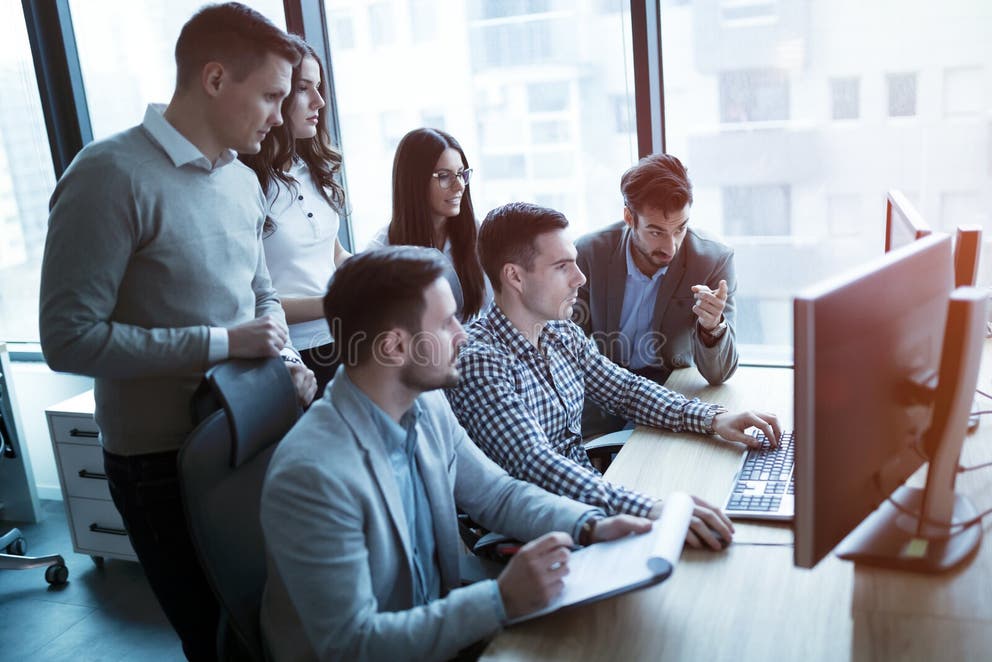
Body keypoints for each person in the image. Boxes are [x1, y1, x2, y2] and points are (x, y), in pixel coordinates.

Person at [39, 4, 315, 659]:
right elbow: (68, 339)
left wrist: (276, 345)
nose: (280, 115)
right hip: (160, 463)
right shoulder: (108, 176)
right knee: (217, 642)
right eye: (272, 95)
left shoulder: (244, 181)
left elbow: (262, 295)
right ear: (216, 79)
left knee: (273, 628)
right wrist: (224, 343)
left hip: (248, 435)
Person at [259, 246, 651, 661]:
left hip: (438, 629)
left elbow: (496, 494)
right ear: (394, 347)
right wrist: (499, 600)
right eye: (446, 324)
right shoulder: (312, 475)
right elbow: (352, 645)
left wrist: (590, 526)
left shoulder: (424, 404)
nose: (462, 335)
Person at [446, 202, 779, 550]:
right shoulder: (481, 362)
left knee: (716, 503)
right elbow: (536, 465)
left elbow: (625, 391)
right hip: (542, 536)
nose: (580, 277)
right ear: (515, 276)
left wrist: (714, 419)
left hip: (592, 500)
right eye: (562, 267)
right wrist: (649, 509)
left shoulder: (560, 331)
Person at [575, 153, 738, 436]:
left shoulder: (713, 260)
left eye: (680, 229)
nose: (671, 246)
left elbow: (718, 375)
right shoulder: (589, 253)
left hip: (671, 393)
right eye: (655, 232)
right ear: (629, 217)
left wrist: (713, 328)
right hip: (605, 390)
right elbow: (562, 339)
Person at [241, 36, 348, 398]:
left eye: (318, 88)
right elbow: (251, 297)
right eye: (304, 89)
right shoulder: (247, 184)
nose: (318, 101)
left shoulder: (311, 168)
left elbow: (332, 254)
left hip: (343, 341)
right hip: (293, 359)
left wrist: (374, 275)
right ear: (276, 93)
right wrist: (333, 304)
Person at [367, 127, 490, 320]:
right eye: (444, 176)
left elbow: (492, 310)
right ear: (415, 182)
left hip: (474, 345)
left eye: (461, 174)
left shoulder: (478, 232)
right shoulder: (382, 251)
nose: (459, 186)